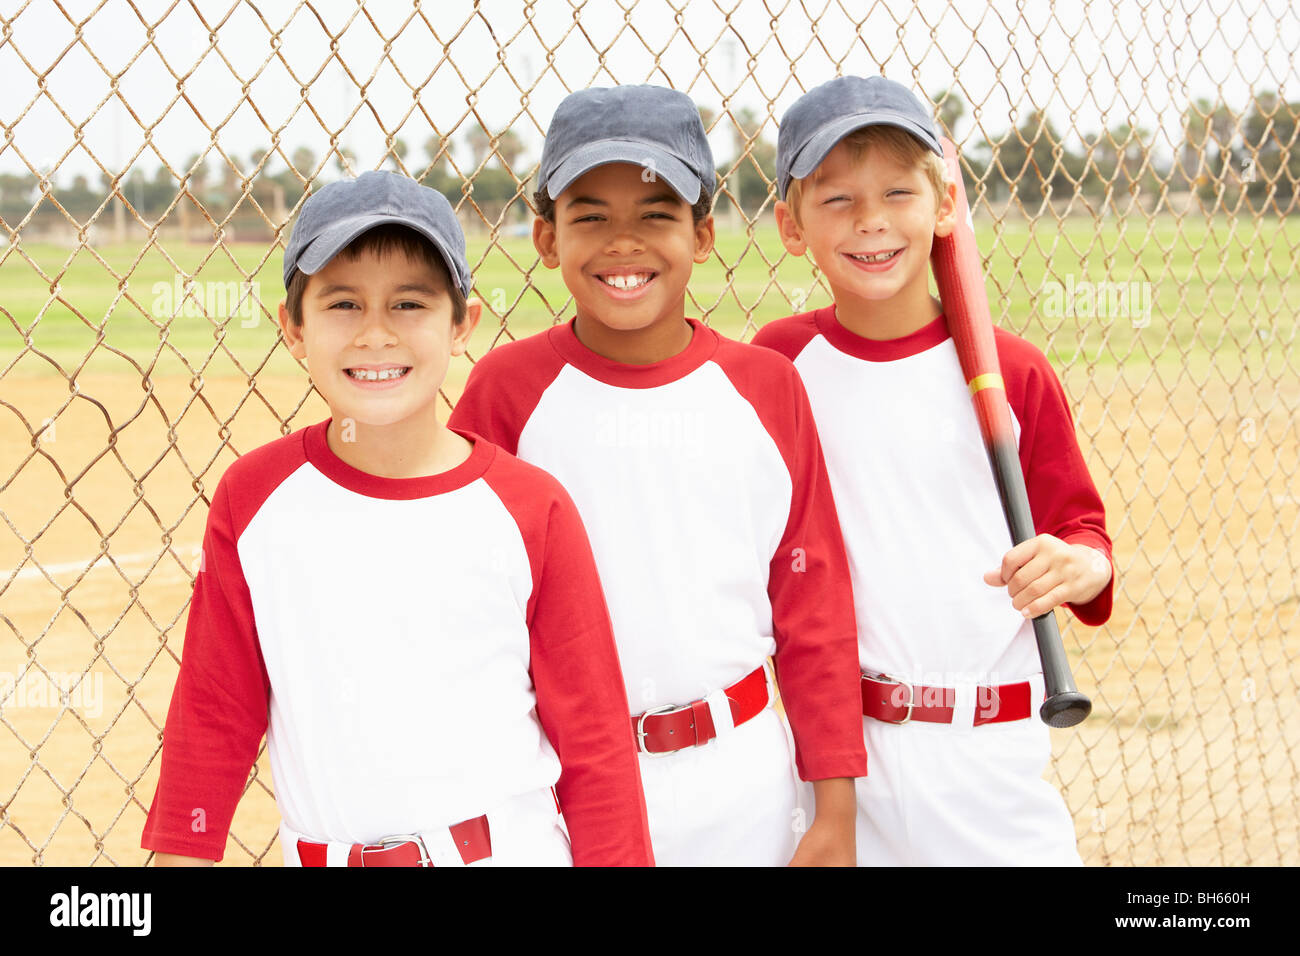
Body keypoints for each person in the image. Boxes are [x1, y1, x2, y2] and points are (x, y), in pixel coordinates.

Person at [140, 170, 654, 867]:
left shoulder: (530, 508)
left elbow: (594, 746)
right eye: (343, 304)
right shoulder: (255, 498)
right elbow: (215, 712)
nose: (376, 334)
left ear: (462, 324)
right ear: (294, 329)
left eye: (410, 303)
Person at [448, 85, 867, 866]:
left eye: (656, 214)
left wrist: (834, 806)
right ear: (545, 237)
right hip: (570, 785)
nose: (622, 242)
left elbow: (813, 610)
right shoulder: (505, 394)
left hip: (742, 775)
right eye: (590, 216)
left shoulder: (766, 389)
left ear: (704, 233)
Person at [753, 75, 1115, 866]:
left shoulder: (1011, 372)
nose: (872, 220)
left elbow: (1082, 531)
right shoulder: (779, 365)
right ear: (790, 224)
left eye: (896, 192)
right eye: (837, 200)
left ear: (945, 204)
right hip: (849, 760)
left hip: (994, 760)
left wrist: (1079, 565)